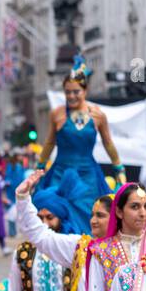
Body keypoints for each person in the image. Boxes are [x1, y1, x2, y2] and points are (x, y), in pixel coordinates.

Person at [37, 55, 124, 198]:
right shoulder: (57, 114)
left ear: (85, 91)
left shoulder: (98, 115)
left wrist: (119, 169)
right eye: (67, 92)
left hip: (88, 176)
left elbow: (108, 143)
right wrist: (40, 166)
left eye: (76, 92)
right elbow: (50, 142)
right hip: (60, 174)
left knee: (91, 211)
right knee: (53, 210)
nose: (71, 96)